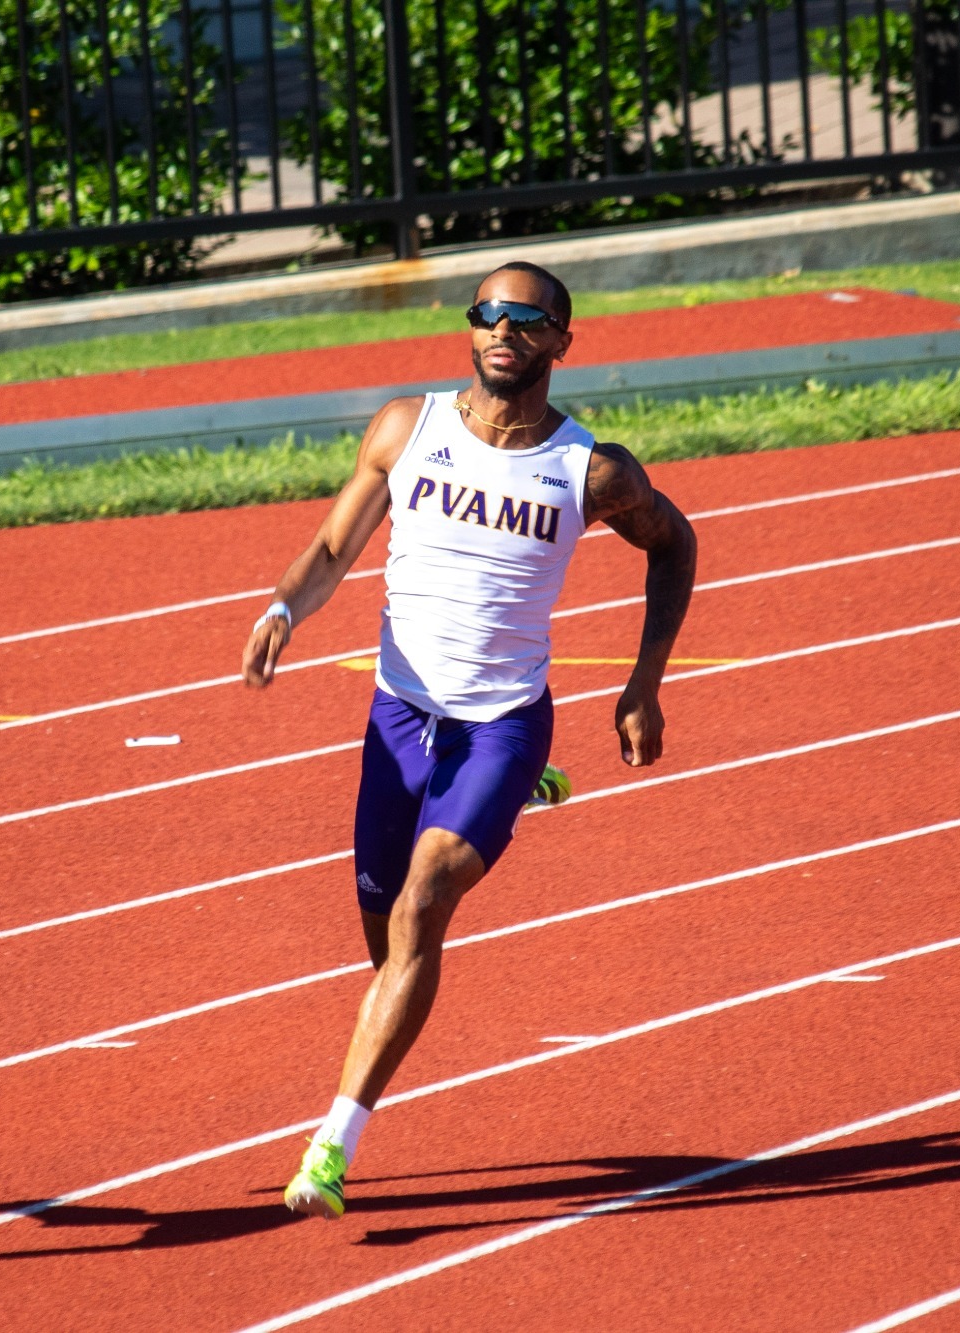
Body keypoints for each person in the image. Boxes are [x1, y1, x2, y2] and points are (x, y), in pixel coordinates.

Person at [242, 262, 697, 1219]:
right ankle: (505, 803)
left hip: (502, 722)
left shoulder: (591, 470)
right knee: (385, 931)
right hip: (399, 720)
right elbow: (331, 551)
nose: (503, 329)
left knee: (422, 905)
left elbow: (676, 544)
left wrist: (643, 683)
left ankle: (331, 1146)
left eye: (527, 318)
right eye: (489, 312)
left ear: (562, 343)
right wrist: (286, 606)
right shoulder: (409, 429)